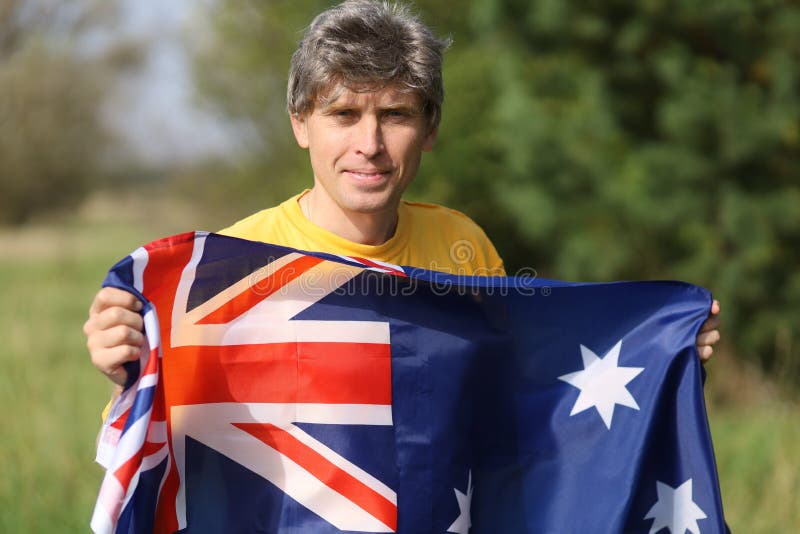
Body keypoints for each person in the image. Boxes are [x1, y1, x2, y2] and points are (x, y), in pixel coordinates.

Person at [84, 0, 721, 404]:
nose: (370, 144)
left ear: (432, 128)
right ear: (300, 123)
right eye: (343, 114)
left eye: (395, 115)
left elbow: (519, 391)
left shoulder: (463, 245)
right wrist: (129, 371)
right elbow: (184, 439)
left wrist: (655, 351)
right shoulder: (229, 264)